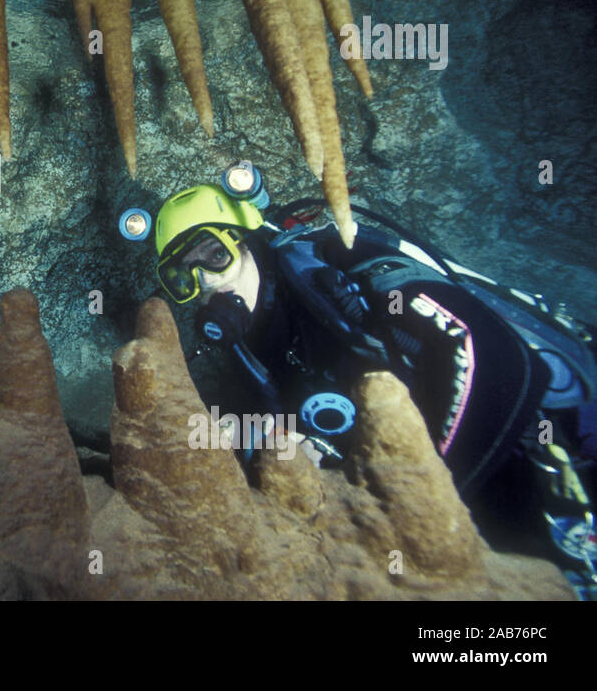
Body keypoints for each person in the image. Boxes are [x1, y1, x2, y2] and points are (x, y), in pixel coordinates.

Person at [122, 162, 597, 597]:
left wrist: (424, 499)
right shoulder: (248, 347)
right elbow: (292, 442)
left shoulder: (338, 262)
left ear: (247, 238)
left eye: (213, 255)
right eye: (181, 276)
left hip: (545, 450)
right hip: (463, 525)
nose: (204, 282)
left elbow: (489, 353)